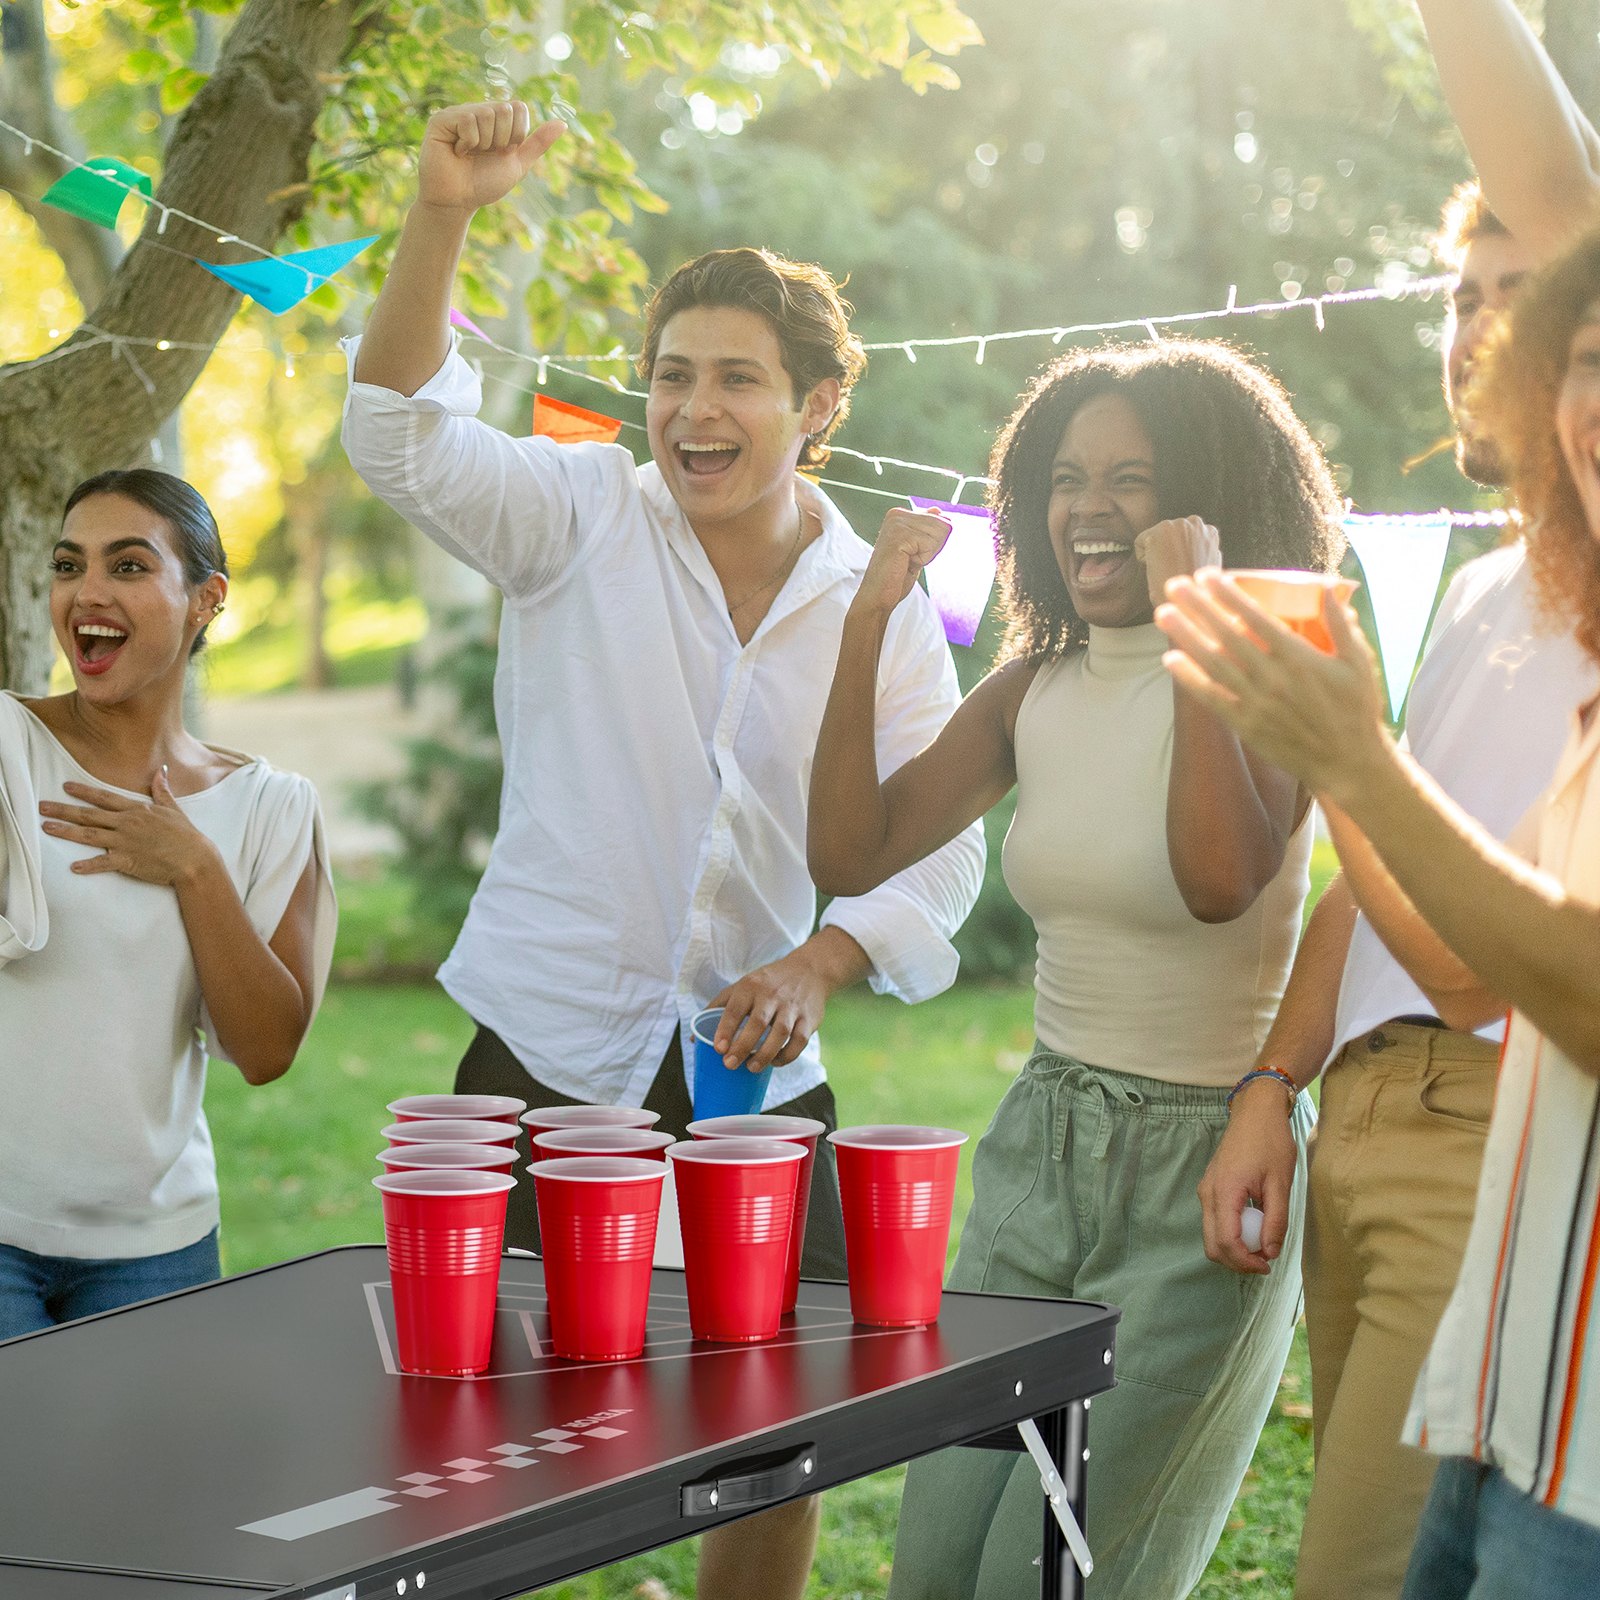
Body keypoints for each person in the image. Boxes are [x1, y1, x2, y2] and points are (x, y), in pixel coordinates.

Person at [341, 102, 983, 1600]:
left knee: (777, 1438)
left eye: (738, 380)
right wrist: (444, 212)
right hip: (547, 1042)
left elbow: (943, 849)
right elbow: (392, 430)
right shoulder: (573, 513)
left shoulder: (876, 599)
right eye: (673, 376)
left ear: (819, 403)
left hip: (754, 1079)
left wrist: (827, 958)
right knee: (471, 1435)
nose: (695, 408)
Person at [808, 336, 1343, 1599]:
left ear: (1214, 502)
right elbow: (851, 849)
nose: (1087, 509)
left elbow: (1221, 881)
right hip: (1038, 1152)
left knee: (1053, 1579)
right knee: (935, 1569)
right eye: (1063, 477)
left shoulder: (1276, 673)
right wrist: (867, 621)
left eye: (1132, 478)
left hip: (1201, 1174)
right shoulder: (1029, 686)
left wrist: (1201, 621)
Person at [1196, 4, 1600, 1592]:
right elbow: (1372, 894)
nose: (1488, 337)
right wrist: (1276, 1083)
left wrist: (1338, 749)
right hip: (1405, 1145)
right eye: (1470, 300)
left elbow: (1467, 958)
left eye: (1542, 306)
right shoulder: (1504, 588)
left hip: (1478, 1119)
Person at [0, 469, 335, 1340]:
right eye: (69, 566)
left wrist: (195, 866)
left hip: (160, 1247)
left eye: (129, 566)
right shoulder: (8, 750)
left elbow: (264, 1050)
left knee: (142, 1481)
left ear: (205, 600)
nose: (88, 593)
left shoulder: (271, 808)